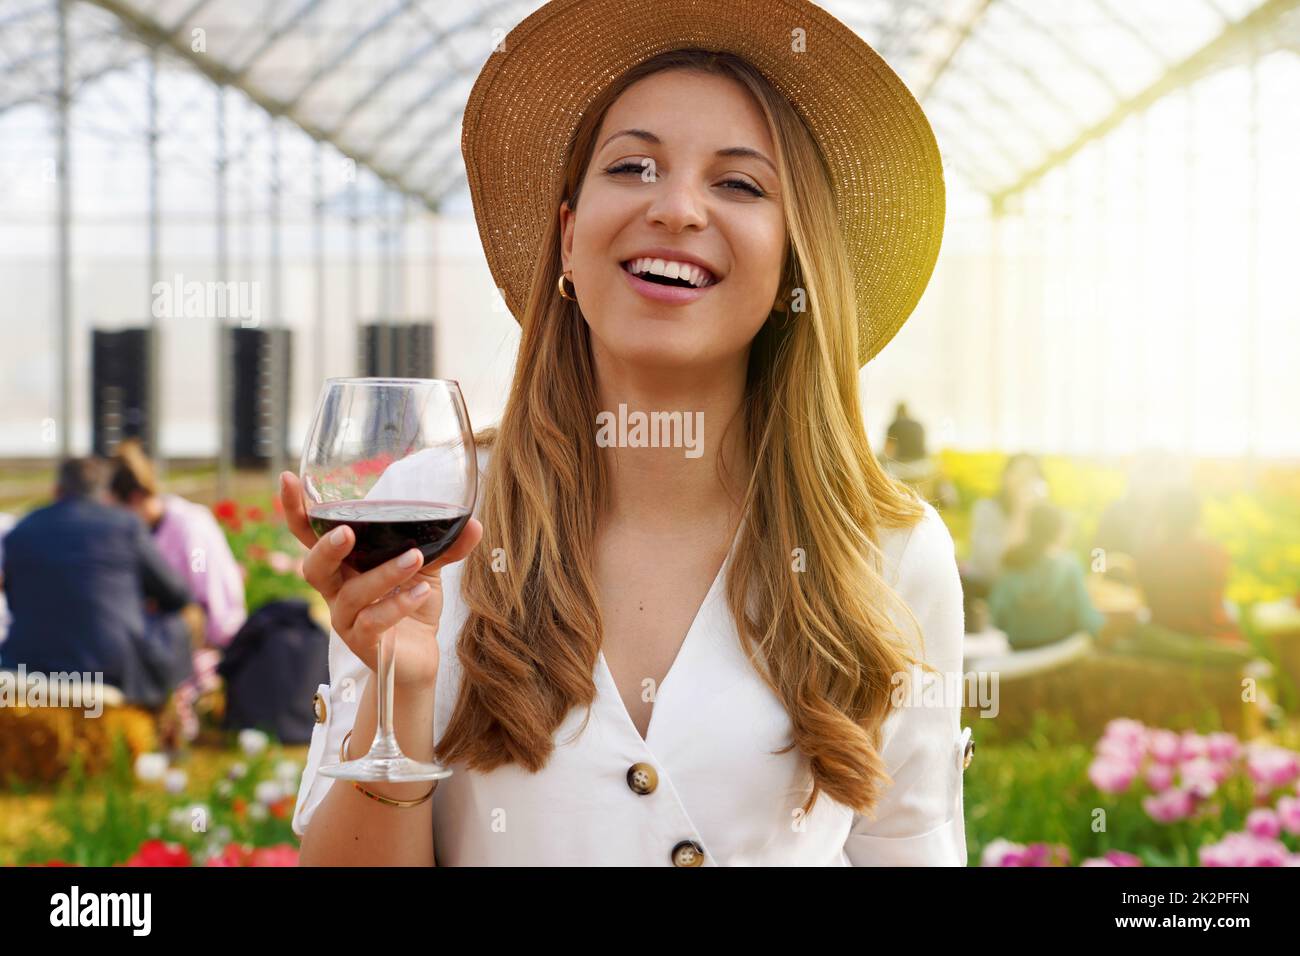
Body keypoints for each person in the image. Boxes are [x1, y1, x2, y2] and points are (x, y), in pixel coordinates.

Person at [288, 0, 970, 867]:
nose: (678, 208)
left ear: (795, 261)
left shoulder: (892, 552)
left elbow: (908, 845)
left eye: (739, 183)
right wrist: (399, 687)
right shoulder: (430, 529)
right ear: (568, 239)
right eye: (634, 167)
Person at [0, 457, 194, 709]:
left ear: (57, 491)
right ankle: (167, 719)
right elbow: (177, 595)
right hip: (111, 667)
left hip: (27, 662)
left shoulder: (22, 530)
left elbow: (16, 600)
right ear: (104, 495)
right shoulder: (125, 525)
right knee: (179, 623)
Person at [108, 438, 247, 648]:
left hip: (206, 646)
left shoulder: (190, 528)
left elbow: (214, 602)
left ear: (135, 499)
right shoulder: (146, 530)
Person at [988, 502, 1106, 650]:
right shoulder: (1070, 566)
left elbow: (997, 616)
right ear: (1058, 531)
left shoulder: (1013, 563)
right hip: (1059, 656)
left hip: (1019, 653)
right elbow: (1087, 619)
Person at [1135, 485, 1241, 643]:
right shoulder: (1215, 553)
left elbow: (1147, 600)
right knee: (1232, 608)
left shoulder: (1149, 555)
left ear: (1163, 517)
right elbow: (1216, 599)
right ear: (1198, 517)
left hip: (1164, 633)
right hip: (1210, 635)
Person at [966, 453, 1047, 587]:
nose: (1024, 479)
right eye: (1018, 472)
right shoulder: (986, 509)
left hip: (1026, 592)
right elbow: (999, 565)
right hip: (985, 586)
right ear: (1005, 477)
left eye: (1031, 474)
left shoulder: (1042, 515)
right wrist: (1020, 510)